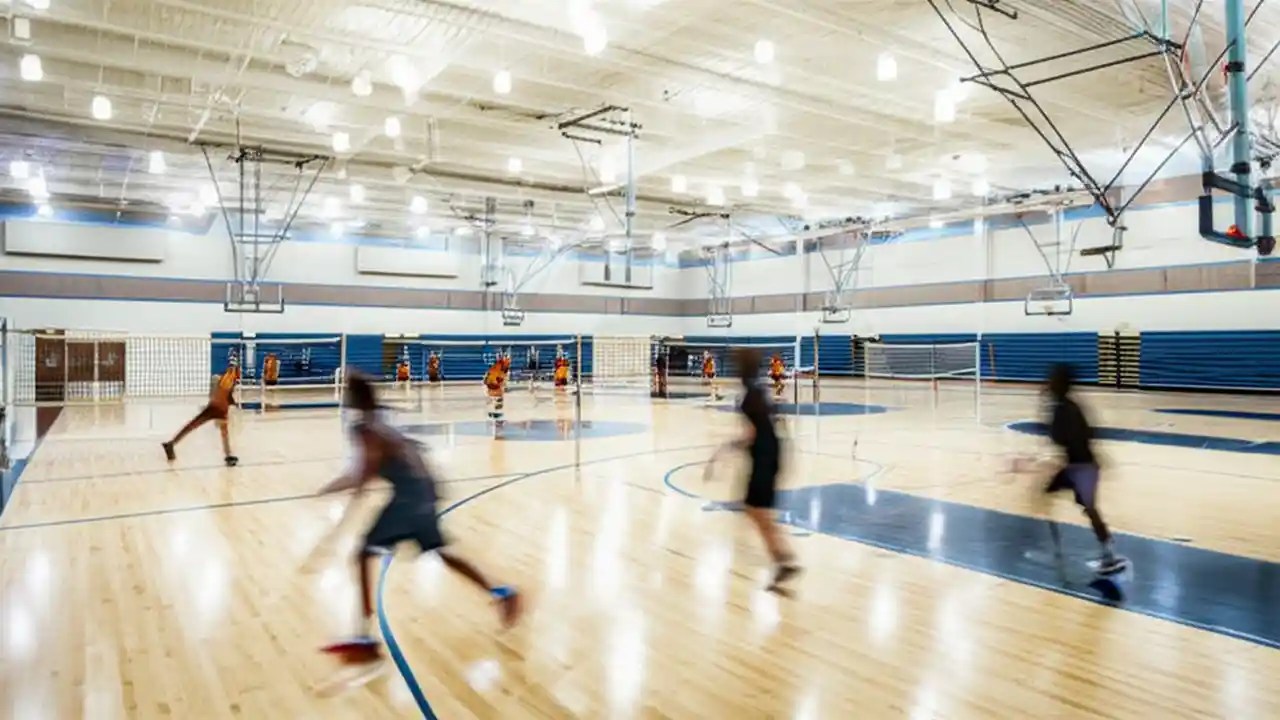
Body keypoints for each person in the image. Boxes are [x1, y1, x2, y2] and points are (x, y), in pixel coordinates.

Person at [316, 373, 522, 664]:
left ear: (354, 397)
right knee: (441, 553)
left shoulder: (366, 428)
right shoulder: (380, 420)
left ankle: (364, 638)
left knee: (363, 554)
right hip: (426, 490)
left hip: (409, 499)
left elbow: (366, 472)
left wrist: (336, 491)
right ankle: (503, 592)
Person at [1043, 364, 1126, 574]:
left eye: (1052, 381)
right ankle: (1059, 547)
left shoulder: (1063, 409)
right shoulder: (1070, 405)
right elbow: (1088, 432)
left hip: (1081, 469)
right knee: (1052, 494)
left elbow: (1060, 437)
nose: (1048, 384)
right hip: (1078, 467)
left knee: (1089, 508)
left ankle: (1109, 554)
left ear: (1059, 385)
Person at [731, 348, 800, 589]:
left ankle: (784, 560)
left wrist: (733, 445)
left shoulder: (750, 397)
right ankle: (783, 559)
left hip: (764, 458)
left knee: (755, 510)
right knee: (756, 511)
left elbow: (753, 432)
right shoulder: (760, 391)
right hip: (773, 454)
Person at [163, 354, 239, 467]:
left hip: (218, 406)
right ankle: (228, 455)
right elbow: (224, 389)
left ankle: (172, 443)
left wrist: (230, 401)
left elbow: (225, 392)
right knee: (218, 430)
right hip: (219, 407)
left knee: (195, 425)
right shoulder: (228, 377)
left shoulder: (228, 378)